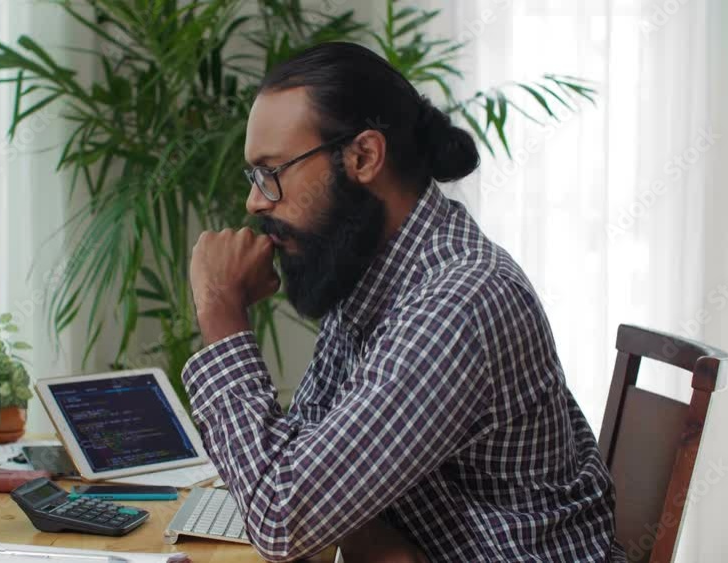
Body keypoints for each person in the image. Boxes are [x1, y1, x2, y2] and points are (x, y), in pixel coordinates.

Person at [183, 42, 623, 563]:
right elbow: (307, 463)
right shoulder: (376, 272)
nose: (255, 201)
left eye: (272, 172)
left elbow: (283, 515)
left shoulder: (458, 303)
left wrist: (220, 310)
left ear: (364, 157)